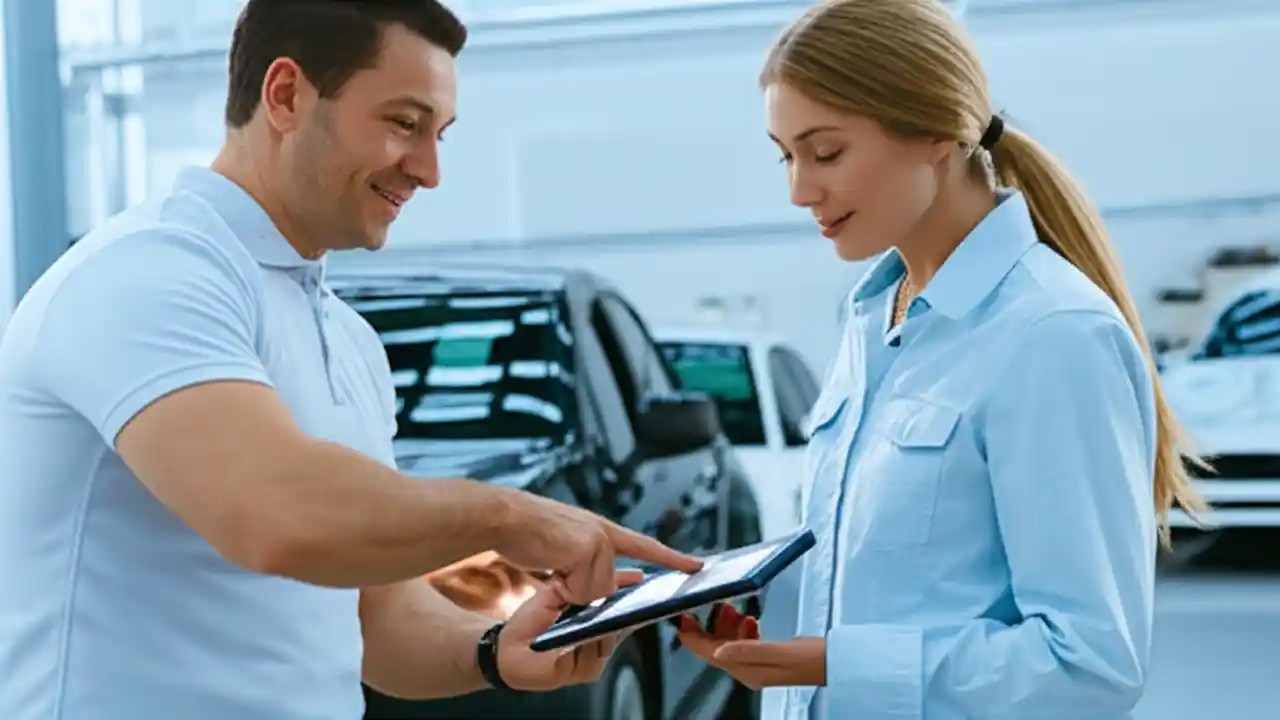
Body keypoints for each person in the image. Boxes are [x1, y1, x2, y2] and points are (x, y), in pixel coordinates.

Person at [0, 2, 703, 719]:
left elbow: (376, 616)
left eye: (439, 134)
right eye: (404, 123)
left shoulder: (346, 336)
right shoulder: (145, 273)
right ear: (285, 95)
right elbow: (275, 512)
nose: (429, 171)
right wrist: (505, 516)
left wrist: (493, 649)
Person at [674, 1, 1208, 718]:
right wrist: (736, 600)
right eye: (786, 156)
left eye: (826, 153)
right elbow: (895, 570)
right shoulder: (873, 317)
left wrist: (838, 663)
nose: (799, 190)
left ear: (935, 132)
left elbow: (1089, 664)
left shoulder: (1053, 335)